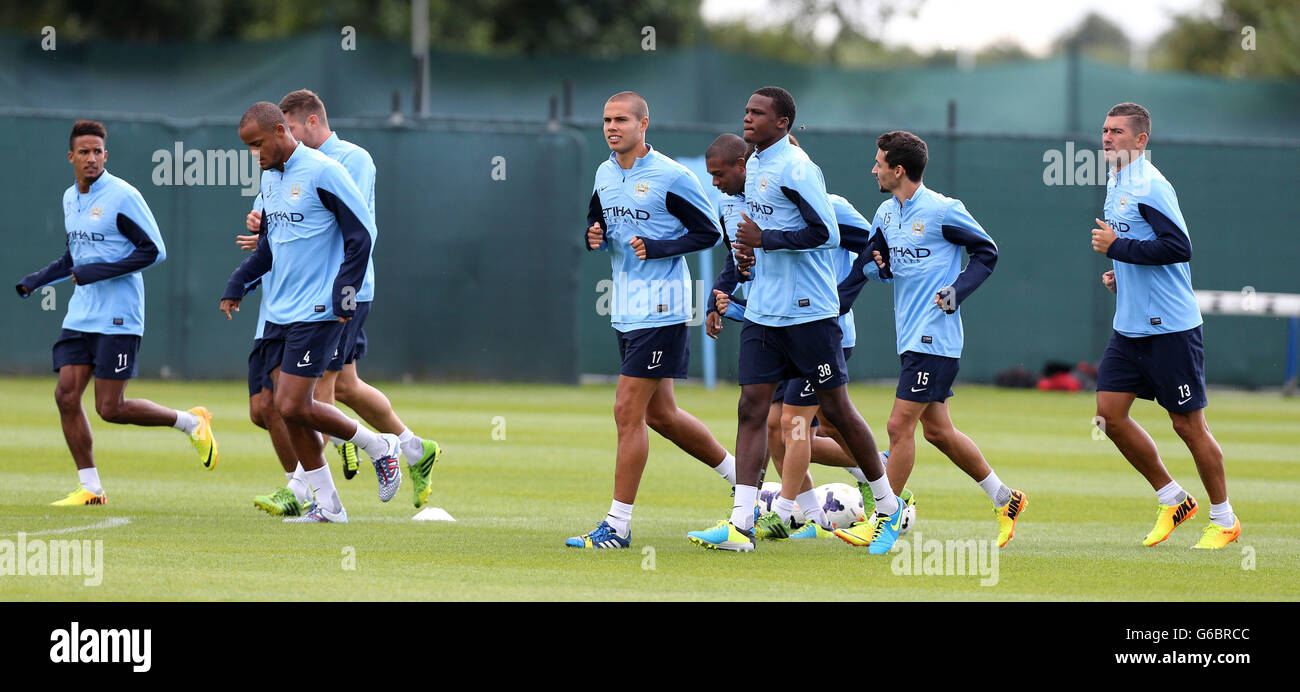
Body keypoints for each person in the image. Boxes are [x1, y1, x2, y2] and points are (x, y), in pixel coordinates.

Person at [688, 87, 902, 555]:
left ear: (783, 122)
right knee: (753, 411)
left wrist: (766, 239)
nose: (748, 117)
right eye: (745, 110)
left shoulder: (798, 168)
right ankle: (742, 524)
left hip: (810, 315)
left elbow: (824, 233)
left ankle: (888, 506)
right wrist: (734, 275)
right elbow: (742, 245)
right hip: (765, 316)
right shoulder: (756, 166)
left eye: (758, 112)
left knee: (837, 413)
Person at [237, 90, 440, 516]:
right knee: (342, 386)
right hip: (294, 293)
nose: (282, 139)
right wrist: (260, 224)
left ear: (309, 123)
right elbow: (280, 216)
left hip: (337, 292)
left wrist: (342, 289)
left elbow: (353, 226)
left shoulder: (348, 160)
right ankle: (414, 449)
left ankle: (305, 489)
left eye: (288, 129)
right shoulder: (280, 168)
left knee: (307, 394)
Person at [832, 130, 1026, 549]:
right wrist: (836, 309)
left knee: (898, 427)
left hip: (935, 337)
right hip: (911, 337)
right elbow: (868, 264)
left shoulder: (942, 211)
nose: (873, 169)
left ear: (898, 170)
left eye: (879, 163)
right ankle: (1005, 499)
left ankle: (885, 519)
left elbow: (987, 252)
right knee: (938, 432)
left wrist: (956, 292)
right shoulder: (885, 213)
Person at [567, 91, 737, 549]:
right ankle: (745, 483)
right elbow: (596, 224)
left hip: (662, 306)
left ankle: (617, 527)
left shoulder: (671, 176)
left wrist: (659, 247)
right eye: (606, 119)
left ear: (644, 124)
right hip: (624, 305)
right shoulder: (605, 172)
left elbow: (710, 232)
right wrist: (594, 235)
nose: (611, 127)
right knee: (661, 414)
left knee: (626, 410)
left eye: (621, 119)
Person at [15, 120, 217, 506]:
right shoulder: (69, 198)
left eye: (98, 152)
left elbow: (153, 251)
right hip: (81, 316)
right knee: (65, 395)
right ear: (71, 157)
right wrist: (37, 280)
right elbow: (74, 258)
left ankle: (191, 422)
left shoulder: (122, 196)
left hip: (118, 316)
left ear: (106, 155)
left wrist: (93, 272)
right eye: (84, 152)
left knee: (111, 408)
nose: (92, 158)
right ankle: (91, 488)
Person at [1089, 102, 1238, 549]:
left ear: (1140, 140)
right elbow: (1141, 246)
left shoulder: (1151, 186)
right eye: (1104, 130)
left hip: (1170, 327)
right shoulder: (1116, 180)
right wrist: (1123, 271)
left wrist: (1120, 247)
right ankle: (1173, 498)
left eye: (1116, 131)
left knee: (1188, 426)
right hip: (1130, 326)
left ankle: (1224, 519)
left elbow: (1178, 247)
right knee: (1108, 416)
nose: (1107, 138)